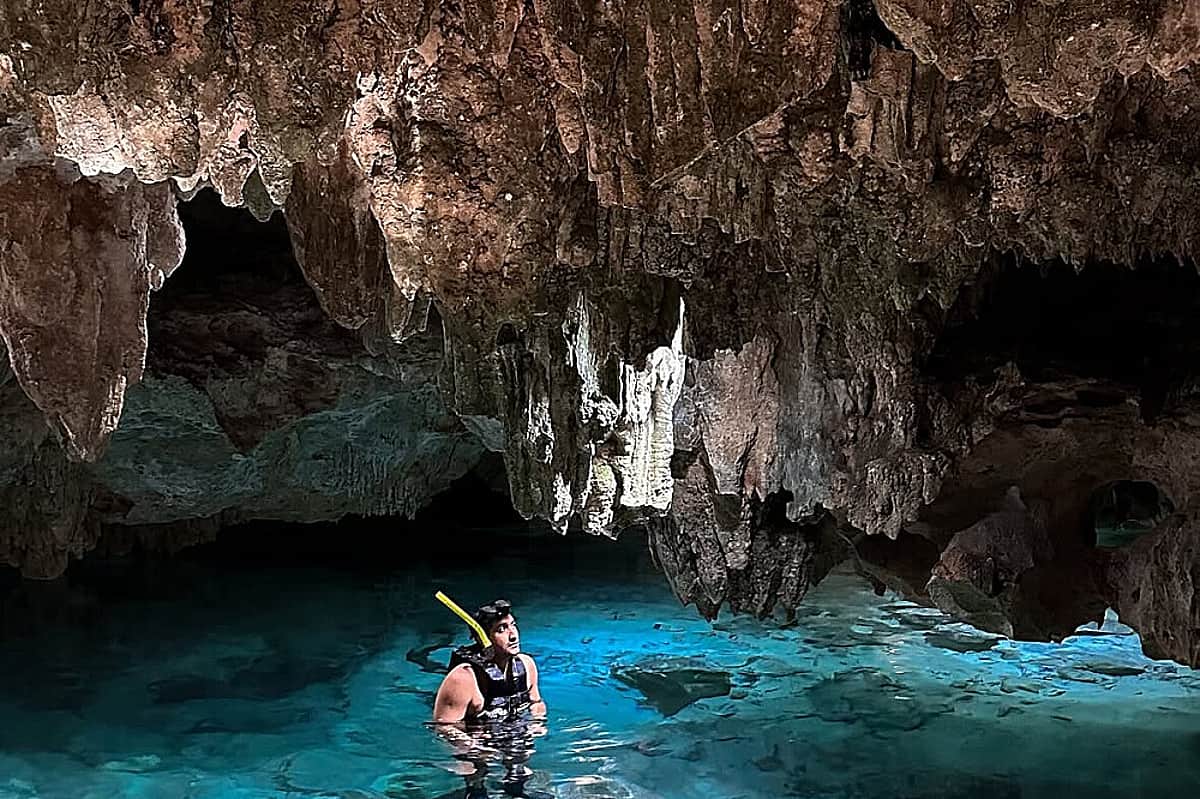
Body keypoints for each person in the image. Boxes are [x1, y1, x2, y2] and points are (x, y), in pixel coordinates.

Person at [432, 599, 548, 798]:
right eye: (501, 629)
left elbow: (536, 702)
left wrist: (537, 724)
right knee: (475, 774)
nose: (513, 635)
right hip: (476, 740)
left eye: (513, 625)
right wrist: (473, 747)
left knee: (519, 775)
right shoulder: (463, 678)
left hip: (513, 733)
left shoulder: (526, 665)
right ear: (483, 639)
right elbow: (442, 727)